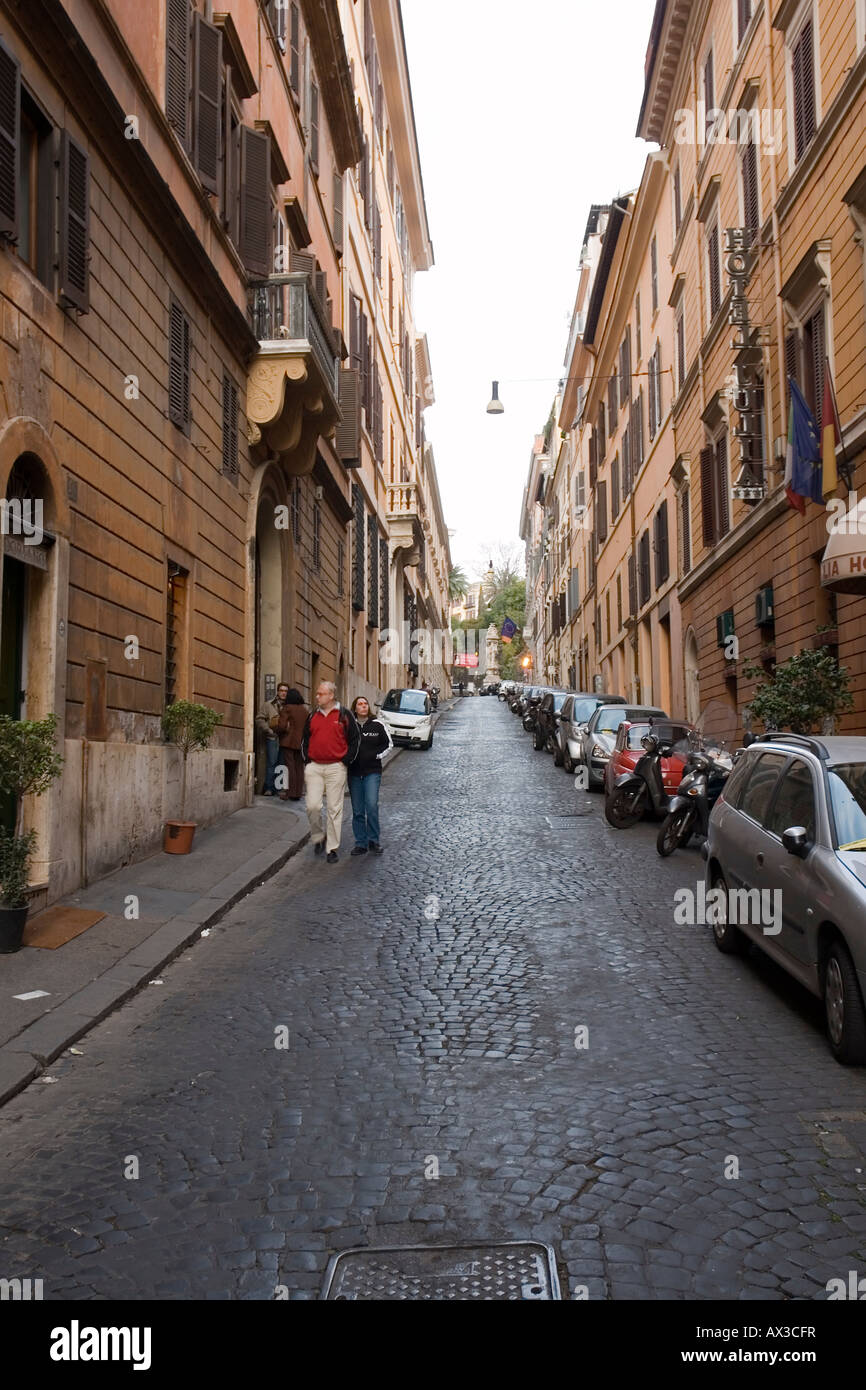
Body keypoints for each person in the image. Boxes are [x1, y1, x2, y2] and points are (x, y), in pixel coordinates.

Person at [301, 681, 360, 863]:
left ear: (331, 696)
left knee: (335, 809)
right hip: (314, 767)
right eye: (317, 693)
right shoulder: (312, 716)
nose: (317, 696)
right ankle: (318, 836)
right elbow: (305, 739)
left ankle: (332, 848)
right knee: (313, 806)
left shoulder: (344, 715)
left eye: (321, 694)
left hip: (336, 767)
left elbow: (355, 739)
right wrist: (307, 761)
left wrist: (345, 761)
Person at [348, 696, 392, 856]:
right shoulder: (349, 726)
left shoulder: (377, 725)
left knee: (372, 806)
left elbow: (389, 744)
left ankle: (374, 840)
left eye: (365, 703)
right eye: (360, 704)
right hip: (354, 773)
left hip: (372, 772)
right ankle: (361, 843)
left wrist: (377, 756)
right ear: (355, 708)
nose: (363, 706)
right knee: (358, 810)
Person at [274, 688, 309, 800]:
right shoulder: (304, 710)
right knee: (299, 767)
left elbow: (282, 726)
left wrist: (277, 730)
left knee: (290, 767)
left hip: (289, 741)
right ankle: (298, 793)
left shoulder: (287, 708)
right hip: (301, 742)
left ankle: (290, 793)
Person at [255, 683, 288, 795]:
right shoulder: (268, 705)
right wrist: (268, 730)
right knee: (271, 762)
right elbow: (259, 719)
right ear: (278, 691)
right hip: (272, 738)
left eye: (286, 691)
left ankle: (279, 788)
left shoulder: (289, 707)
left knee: (282, 763)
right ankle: (269, 788)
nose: (283, 693)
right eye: (281, 690)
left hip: (284, 738)